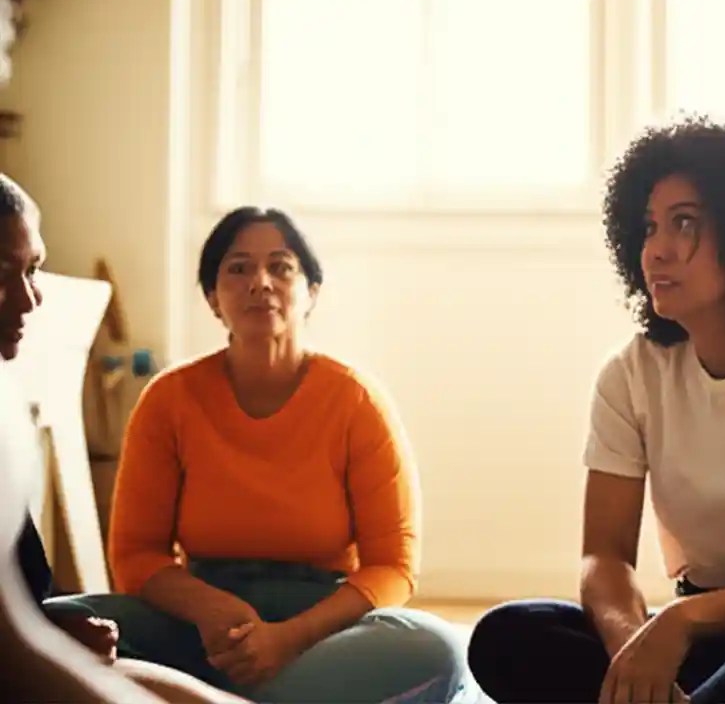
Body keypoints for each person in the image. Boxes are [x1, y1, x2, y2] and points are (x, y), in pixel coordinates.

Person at [467, 117, 725, 704]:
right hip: (702, 628)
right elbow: (605, 555)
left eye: (685, 223)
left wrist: (680, 623)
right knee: (508, 635)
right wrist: (632, 651)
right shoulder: (630, 374)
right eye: (648, 227)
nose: (655, 250)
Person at [45, 206, 464, 703]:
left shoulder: (356, 400)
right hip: (199, 625)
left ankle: (195, 697)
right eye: (238, 268)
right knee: (52, 623)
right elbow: (136, 555)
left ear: (311, 292)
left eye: (281, 267)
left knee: (433, 647)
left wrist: (289, 639)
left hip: (321, 628)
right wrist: (211, 610)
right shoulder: (168, 400)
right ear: (212, 298)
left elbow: (392, 566)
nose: (260, 282)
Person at [0, 173, 246, 702]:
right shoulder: (172, 397)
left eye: (34, 270)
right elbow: (15, 653)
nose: (26, 301)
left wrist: (54, 626)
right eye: (1, 274)